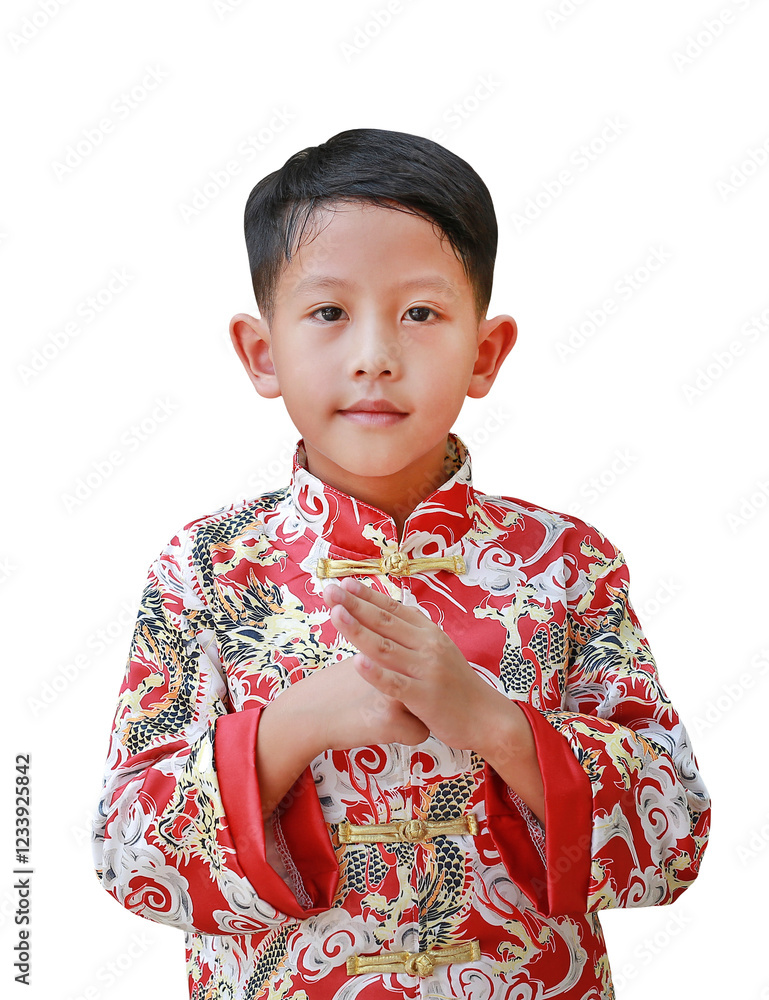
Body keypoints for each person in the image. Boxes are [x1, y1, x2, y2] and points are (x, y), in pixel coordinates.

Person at [92, 128, 711, 999]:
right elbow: (125, 851)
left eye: (420, 313)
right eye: (328, 312)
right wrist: (289, 728)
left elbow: (674, 835)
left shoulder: (568, 562)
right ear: (261, 353)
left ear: (485, 353)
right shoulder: (203, 569)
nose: (375, 353)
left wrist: (492, 723)